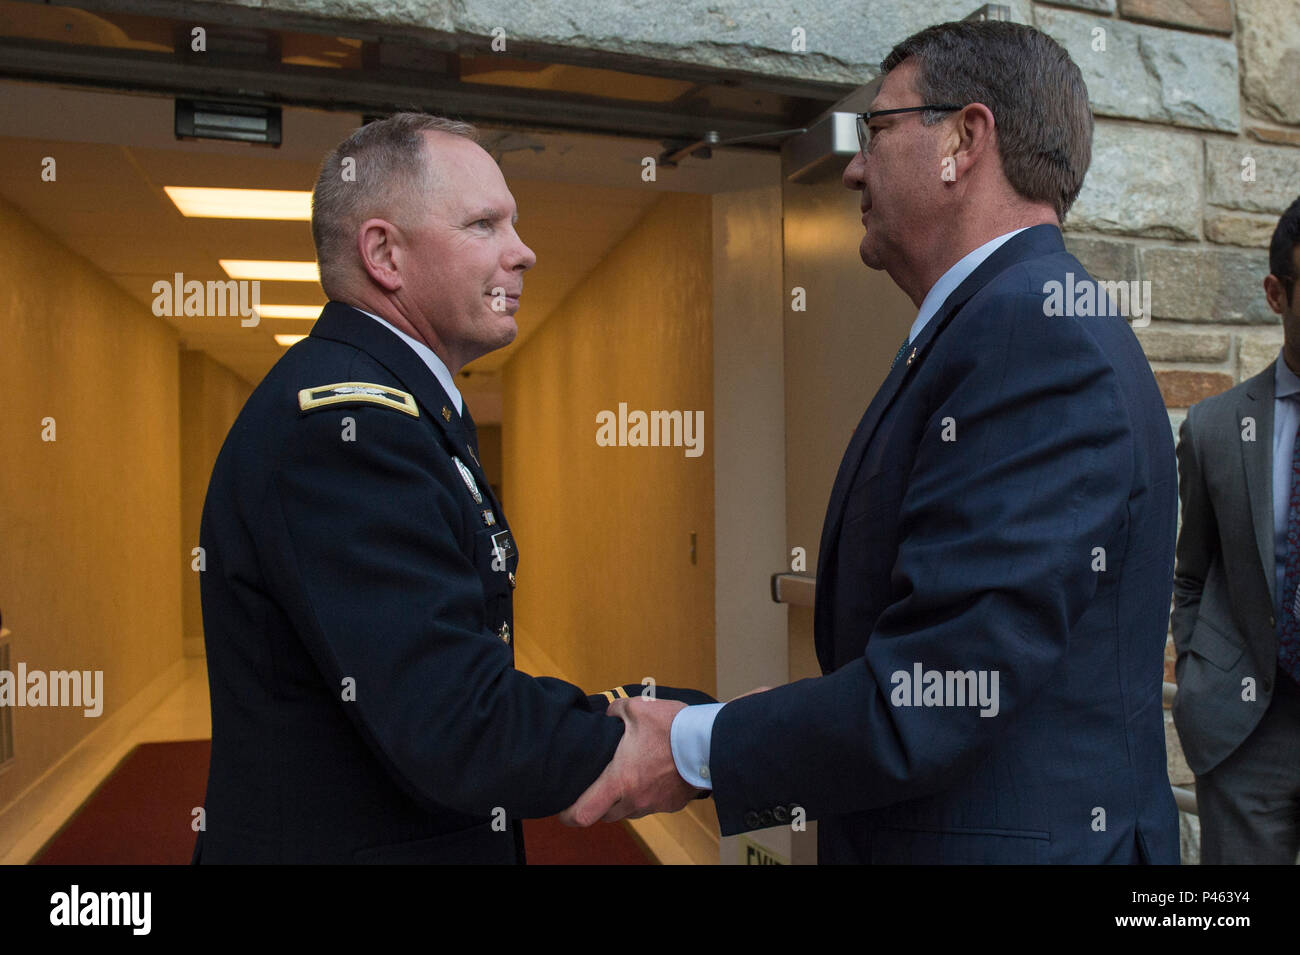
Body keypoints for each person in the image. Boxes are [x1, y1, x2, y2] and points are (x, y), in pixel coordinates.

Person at [563, 20, 1180, 864]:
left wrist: (691, 745)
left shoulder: (1032, 338)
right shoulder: (1005, 321)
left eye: (876, 130)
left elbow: (938, 690)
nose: (853, 165)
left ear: (965, 139)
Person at [195, 113, 708, 864]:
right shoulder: (348, 428)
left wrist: (638, 716)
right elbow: (455, 721)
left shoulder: (397, 407)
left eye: (515, 223)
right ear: (384, 254)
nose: (524, 250)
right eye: (483, 224)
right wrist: (696, 738)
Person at [1170, 196, 1300, 864]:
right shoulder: (1216, 428)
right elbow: (1192, 572)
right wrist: (1198, 672)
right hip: (1248, 735)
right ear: (1276, 293)